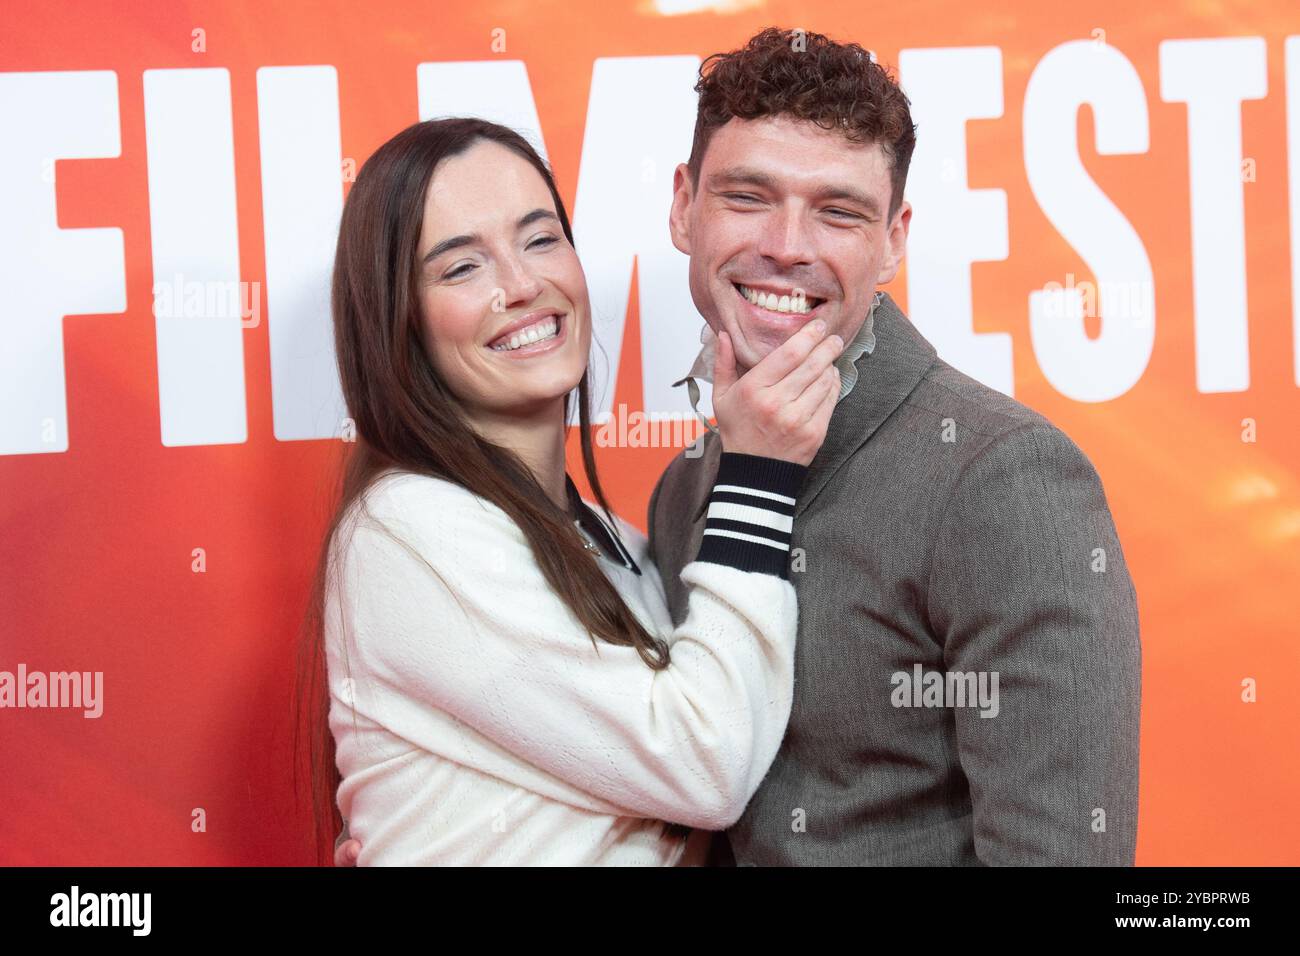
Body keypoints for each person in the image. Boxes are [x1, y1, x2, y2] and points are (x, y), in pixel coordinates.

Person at [649, 28, 1142, 865]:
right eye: (747, 196)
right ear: (682, 207)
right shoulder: (686, 485)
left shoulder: (1005, 479)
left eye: (837, 211)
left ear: (894, 240)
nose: (787, 246)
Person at [298, 116, 847, 865]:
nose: (522, 285)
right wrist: (758, 474)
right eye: (462, 268)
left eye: (540, 238)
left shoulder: (609, 538)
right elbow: (706, 764)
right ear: (399, 322)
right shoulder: (407, 527)